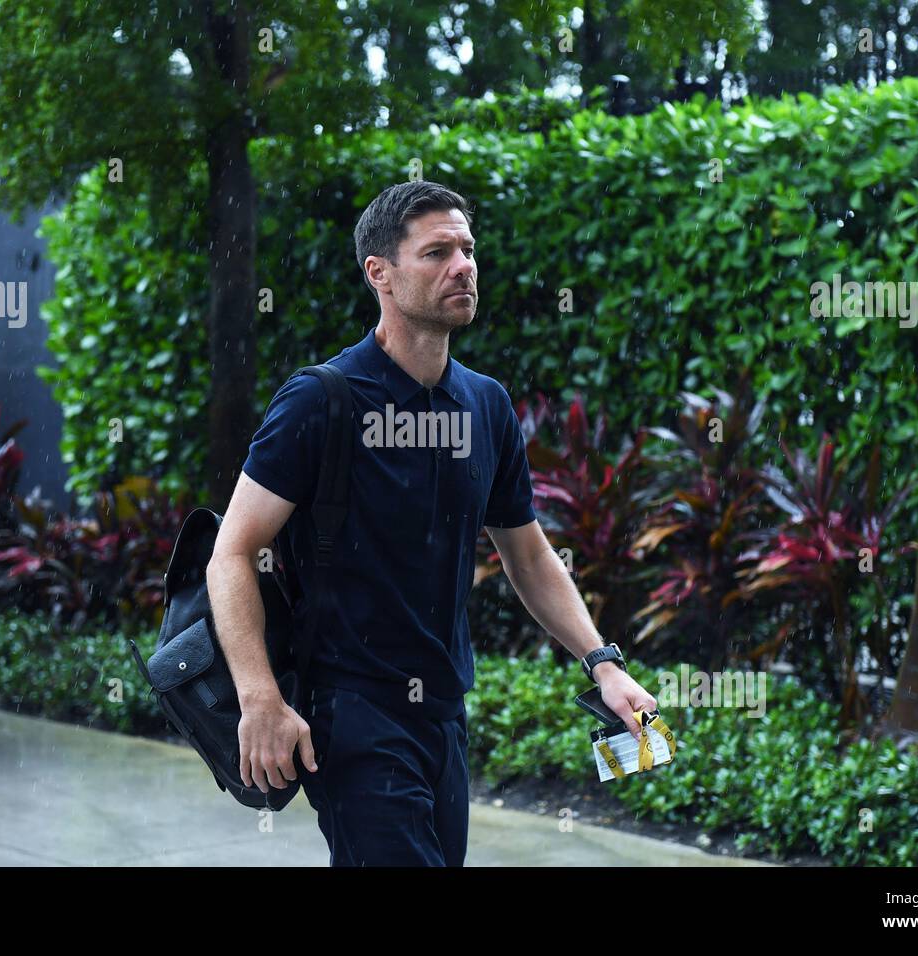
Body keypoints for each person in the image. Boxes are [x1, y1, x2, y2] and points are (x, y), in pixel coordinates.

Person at [207, 180, 657, 867]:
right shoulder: (322, 400)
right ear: (379, 274)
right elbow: (232, 553)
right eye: (438, 252)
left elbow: (527, 554)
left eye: (468, 250)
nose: (464, 266)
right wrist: (259, 698)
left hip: (445, 717)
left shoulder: (486, 406)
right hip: (350, 714)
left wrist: (603, 664)